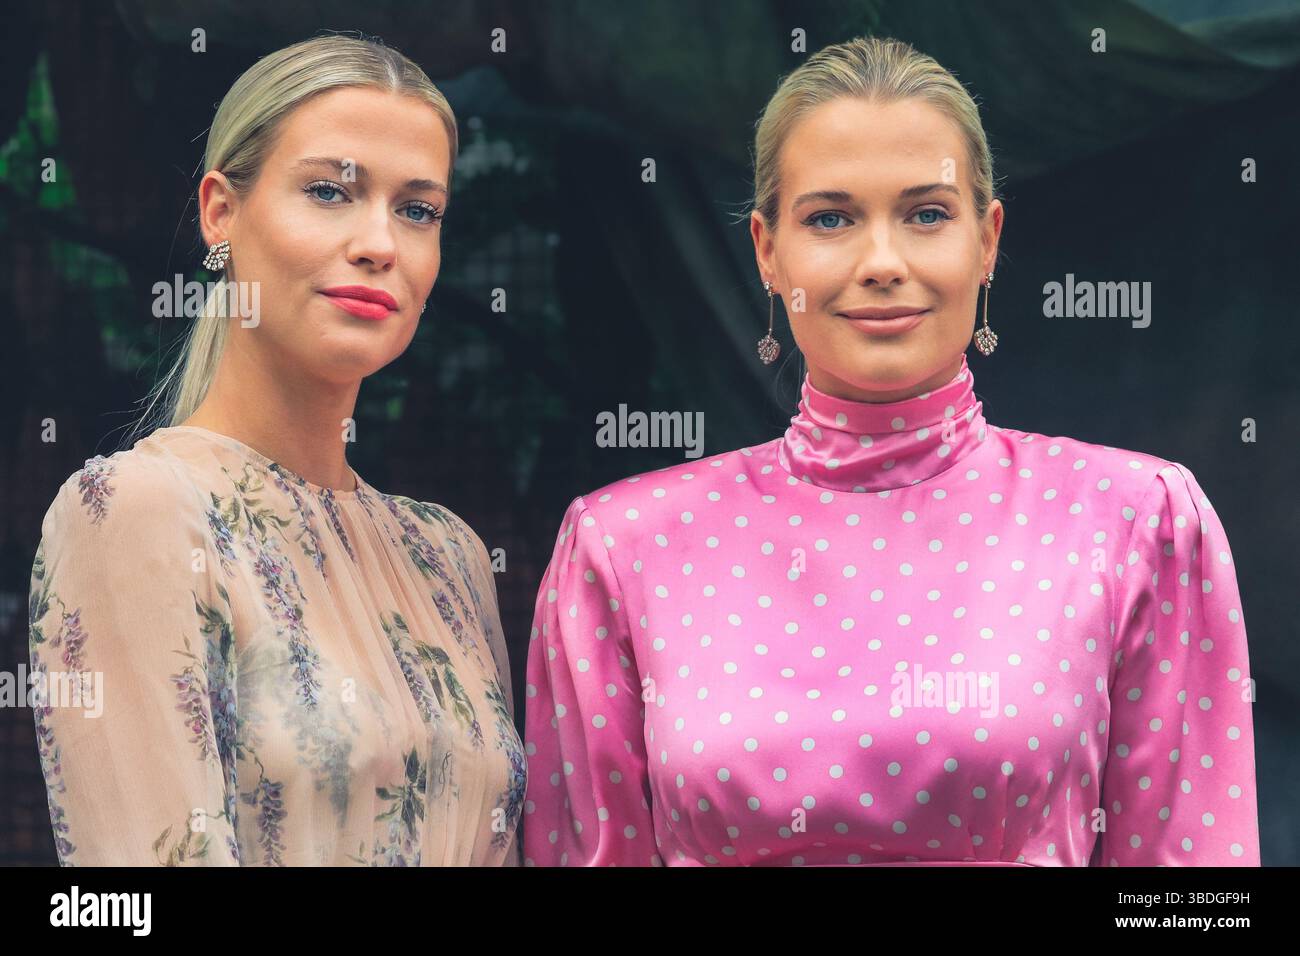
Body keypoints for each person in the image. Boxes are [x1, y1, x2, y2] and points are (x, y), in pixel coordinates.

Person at [521, 36, 1259, 866]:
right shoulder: (623, 546)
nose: (881, 262)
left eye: (927, 215)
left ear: (987, 242)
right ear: (769, 251)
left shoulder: (1138, 521)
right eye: (831, 218)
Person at [28, 34, 525, 866]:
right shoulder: (135, 511)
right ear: (220, 212)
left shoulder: (450, 554)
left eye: (418, 210)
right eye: (330, 192)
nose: (381, 243)